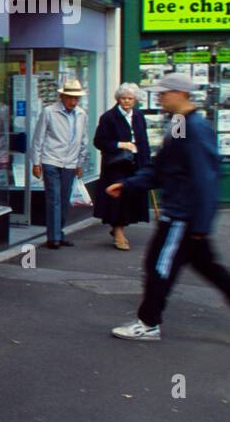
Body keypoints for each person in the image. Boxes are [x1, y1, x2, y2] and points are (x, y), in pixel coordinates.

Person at [107, 73, 230, 341]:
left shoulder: (194, 128)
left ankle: (148, 323)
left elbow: (206, 179)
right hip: (184, 216)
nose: (159, 98)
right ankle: (148, 322)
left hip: (181, 217)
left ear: (180, 94)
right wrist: (128, 185)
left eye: (164, 93)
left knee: (159, 267)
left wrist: (199, 225)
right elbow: (162, 167)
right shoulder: (181, 124)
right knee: (207, 267)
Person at [30, 77, 89, 249]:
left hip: (70, 162)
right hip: (51, 160)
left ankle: (59, 233)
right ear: (62, 96)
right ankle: (53, 237)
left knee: (64, 199)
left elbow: (83, 139)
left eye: (76, 98)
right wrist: (36, 162)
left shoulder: (81, 114)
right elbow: (38, 137)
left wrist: (80, 163)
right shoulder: (49, 111)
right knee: (54, 198)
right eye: (70, 97)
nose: (73, 101)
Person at [92, 82, 151, 250]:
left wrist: (147, 164)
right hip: (116, 165)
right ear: (118, 99)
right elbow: (99, 141)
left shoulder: (139, 116)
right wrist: (120, 144)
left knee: (131, 198)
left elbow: (144, 141)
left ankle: (119, 228)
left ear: (135, 100)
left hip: (135, 163)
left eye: (130, 99)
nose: (126, 102)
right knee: (118, 199)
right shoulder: (108, 117)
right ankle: (118, 233)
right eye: (123, 98)